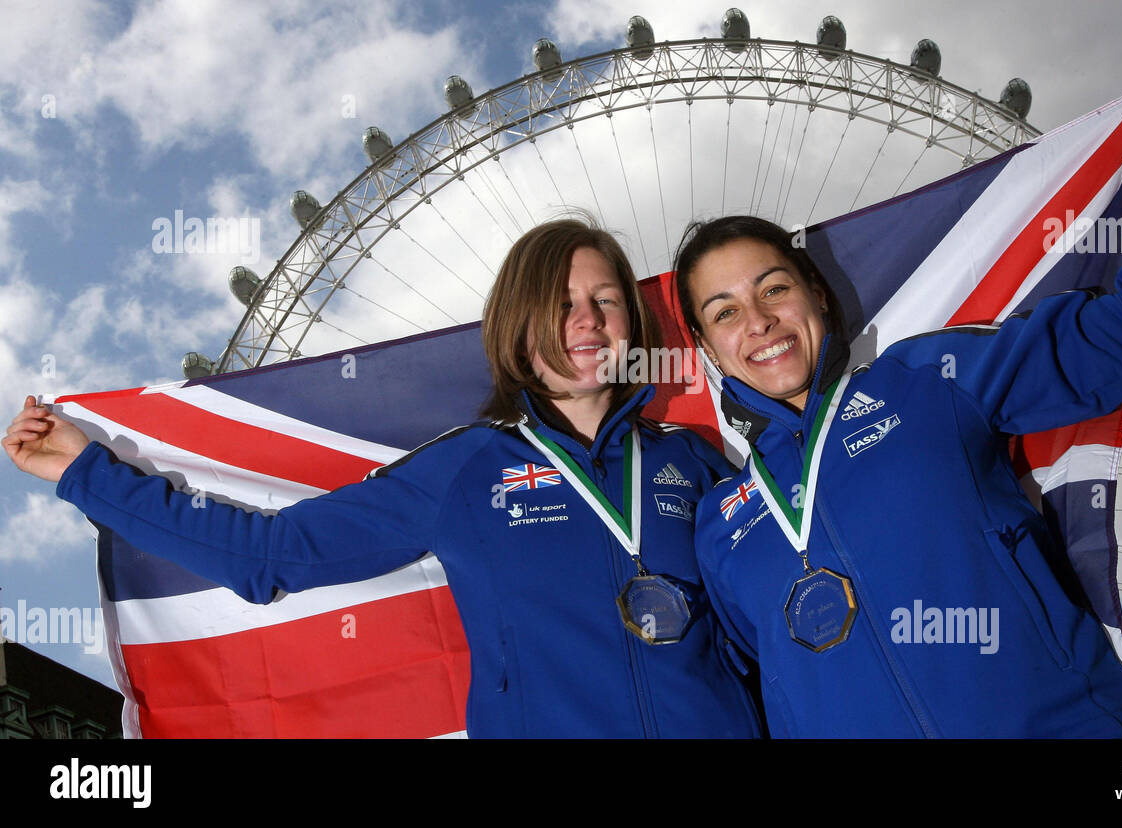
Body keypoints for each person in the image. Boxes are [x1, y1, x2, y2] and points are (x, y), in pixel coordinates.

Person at [5, 217, 762, 739]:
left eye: (605, 300)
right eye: (560, 303)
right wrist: (85, 474)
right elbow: (268, 559)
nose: (588, 320)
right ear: (518, 324)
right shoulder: (465, 469)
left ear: (632, 318)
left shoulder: (691, 462)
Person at [672, 48, 1122, 737]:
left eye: (773, 288)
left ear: (815, 293)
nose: (758, 322)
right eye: (723, 311)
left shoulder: (931, 380)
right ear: (703, 346)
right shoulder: (720, 523)